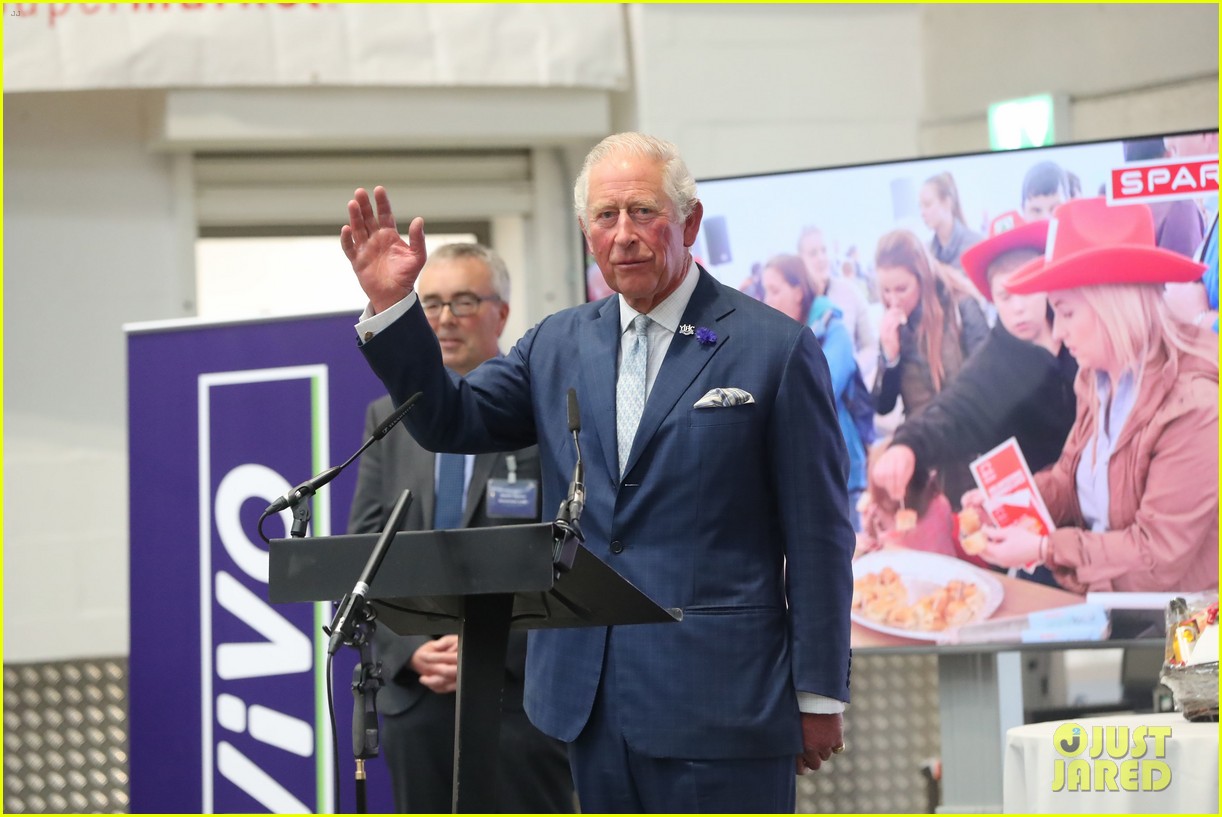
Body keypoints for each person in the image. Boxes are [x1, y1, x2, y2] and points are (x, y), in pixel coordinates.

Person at [339, 133, 854, 812]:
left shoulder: (773, 349)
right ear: (586, 232)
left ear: (689, 222)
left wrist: (817, 691)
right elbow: (449, 421)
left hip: (724, 699)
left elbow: (819, 536)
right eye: (605, 218)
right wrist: (394, 311)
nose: (624, 236)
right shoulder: (558, 343)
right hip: (588, 700)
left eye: (644, 212)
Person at [346, 243, 574, 813]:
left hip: (518, 697)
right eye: (431, 304)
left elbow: (568, 554)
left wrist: (487, 646)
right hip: (417, 696)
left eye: (464, 301)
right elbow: (366, 552)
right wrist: (411, 650)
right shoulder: (388, 418)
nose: (445, 319)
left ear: (501, 312)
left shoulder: (542, 416)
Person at [966, 197, 1218, 593]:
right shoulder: (1095, 380)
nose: (1060, 333)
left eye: (1066, 313)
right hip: (1108, 607)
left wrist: (1046, 547)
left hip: (1188, 632)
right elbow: (1069, 479)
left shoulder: (1196, 406)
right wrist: (1008, 504)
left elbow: (1156, 557)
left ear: (1111, 305)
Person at [871, 212, 1078, 515]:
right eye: (1005, 296)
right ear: (992, 297)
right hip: (1038, 515)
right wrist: (907, 444)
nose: (1018, 307)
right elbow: (956, 408)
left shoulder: (1080, 336)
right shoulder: (993, 361)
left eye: (1028, 289)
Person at [762, 254, 870, 530]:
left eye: (775, 291)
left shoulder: (835, 331)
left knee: (854, 558)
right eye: (765, 291)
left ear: (799, 291)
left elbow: (821, 391)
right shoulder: (777, 337)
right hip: (801, 473)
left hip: (840, 466)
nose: (767, 300)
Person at [872, 229, 989, 419]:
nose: (893, 300)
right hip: (921, 438)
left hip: (968, 430)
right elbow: (883, 405)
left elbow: (987, 377)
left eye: (901, 289)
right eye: (886, 291)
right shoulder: (893, 326)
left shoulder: (961, 305)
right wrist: (889, 358)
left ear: (922, 278)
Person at [797, 225, 876, 381]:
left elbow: (871, 346)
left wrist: (853, 368)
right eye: (813, 253)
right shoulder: (797, 302)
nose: (821, 258)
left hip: (850, 396)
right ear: (800, 259)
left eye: (824, 251)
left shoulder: (849, 292)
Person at [919, 171, 983, 271]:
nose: (922, 213)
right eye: (920, 206)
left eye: (927, 204)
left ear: (947, 203)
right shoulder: (925, 253)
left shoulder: (976, 245)